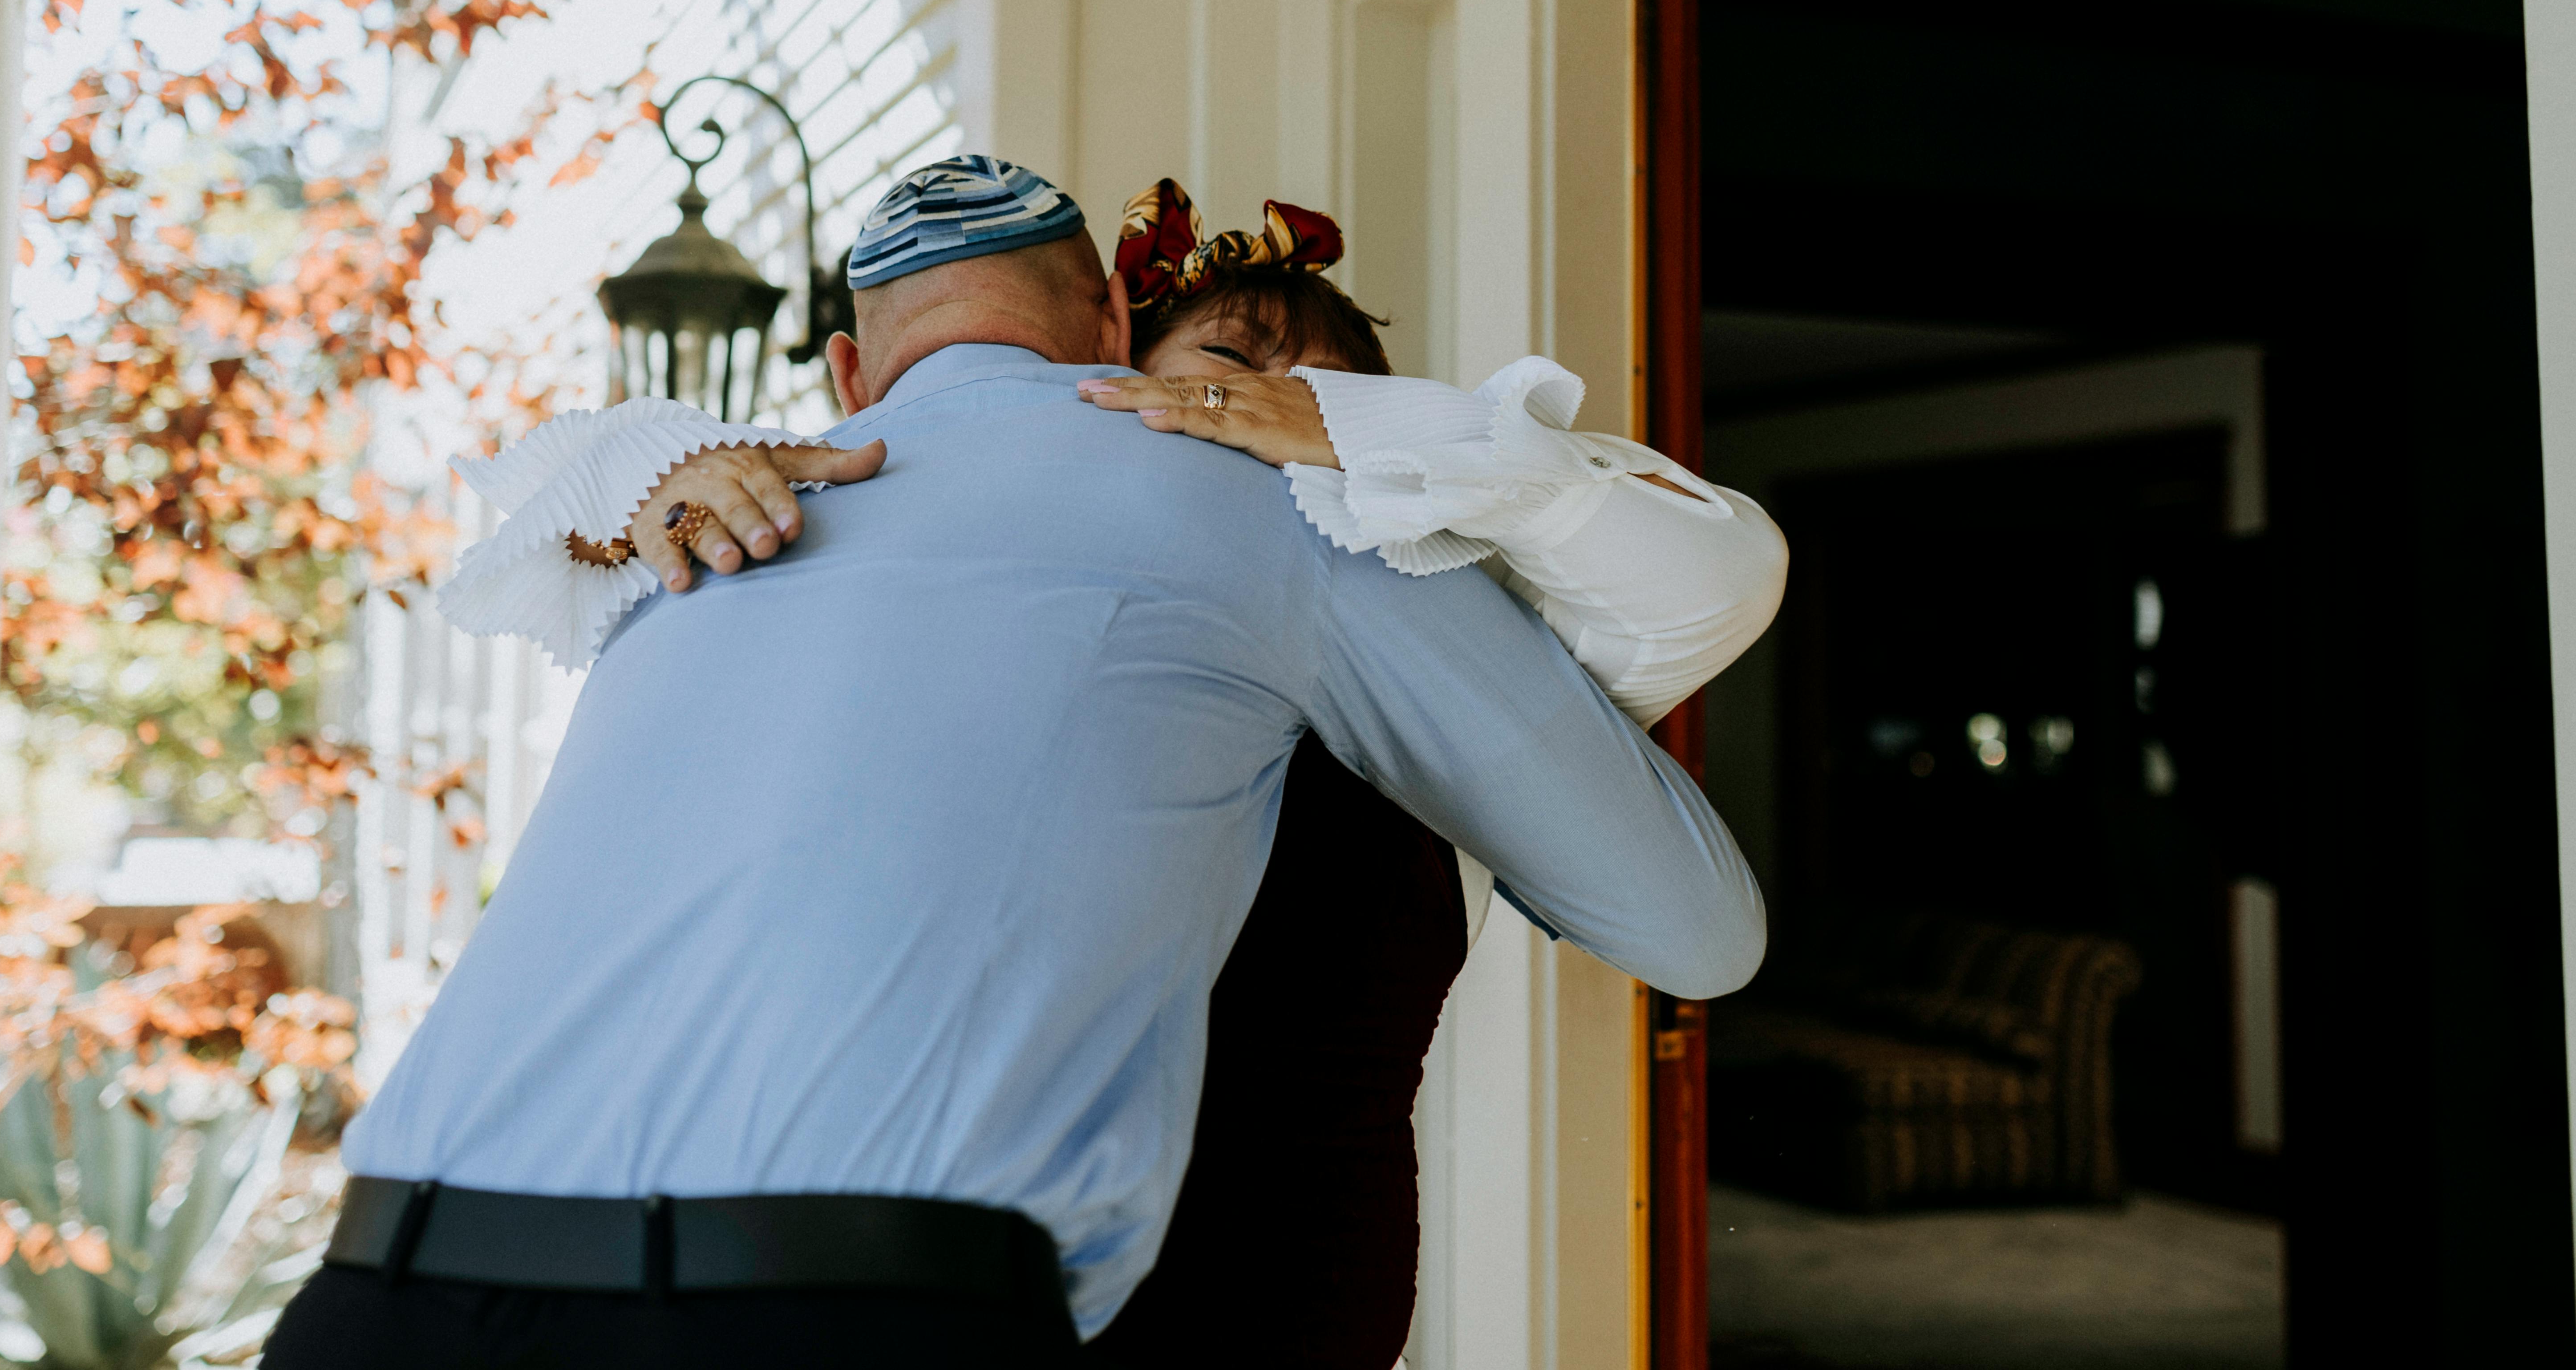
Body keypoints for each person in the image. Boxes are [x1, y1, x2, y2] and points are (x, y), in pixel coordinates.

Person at [267, 155, 1764, 1369]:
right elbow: (1698, 927)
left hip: (385, 1287)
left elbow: (516, 516)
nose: (1247, 417)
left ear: (854, 369)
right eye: (1227, 371)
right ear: (1117, 330)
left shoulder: (713, 536)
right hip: (845, 1306)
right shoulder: (1265, 517)